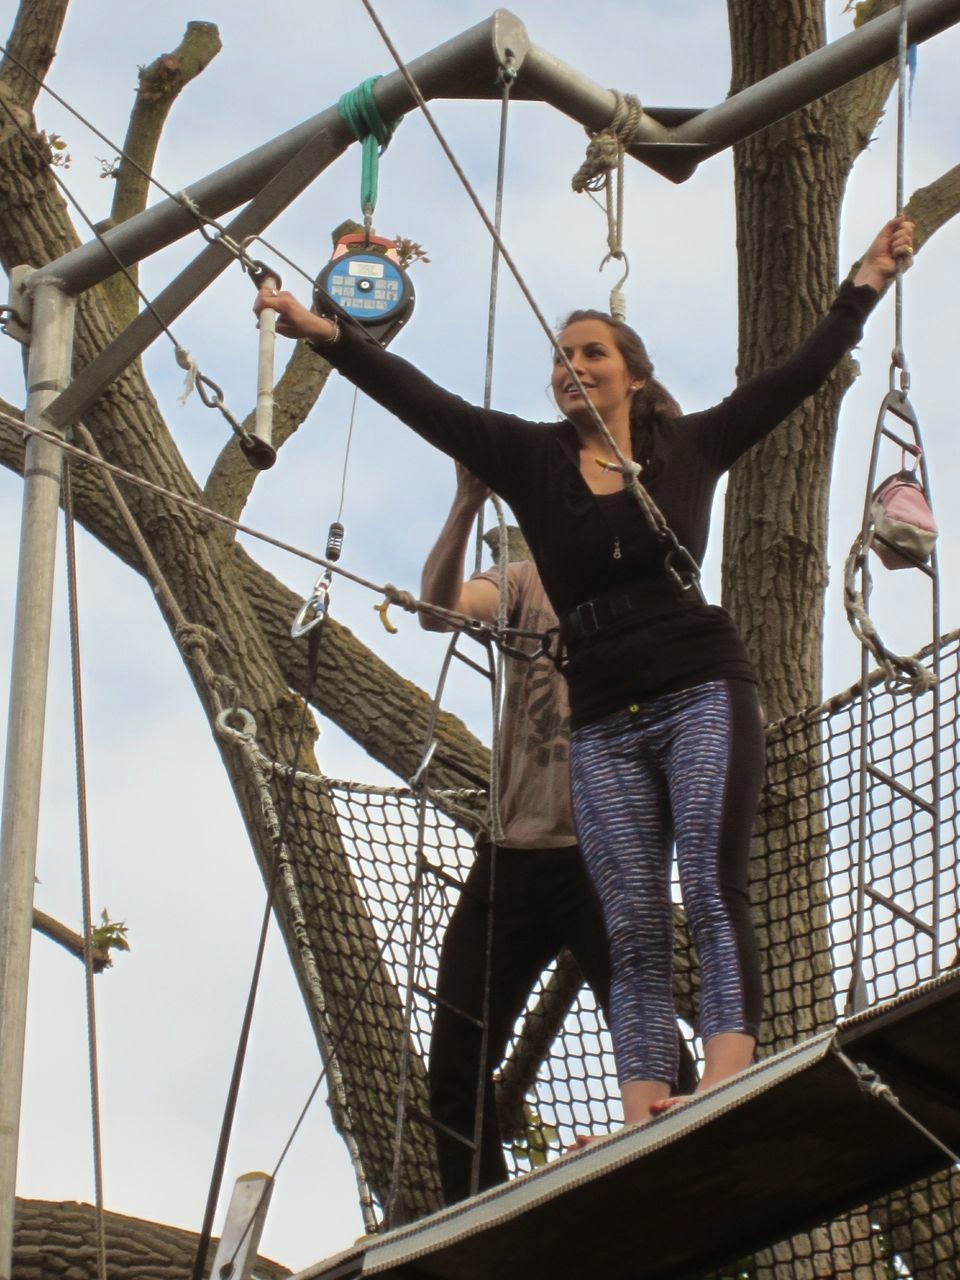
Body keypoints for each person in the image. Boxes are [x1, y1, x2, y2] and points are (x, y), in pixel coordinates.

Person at [256, 216, 914, 1128]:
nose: (573, 365)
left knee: (708, 878)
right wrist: (327, 333)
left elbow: (798, 375)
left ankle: (726, 1066)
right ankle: (647, 1099)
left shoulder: (691, 448)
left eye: (592, 352)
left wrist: (866, 282)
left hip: (700, 690)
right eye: (563, 354)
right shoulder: (531, 458)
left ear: (632, 374)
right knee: (633, 917)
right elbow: (422, 400)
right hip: (602, 718)